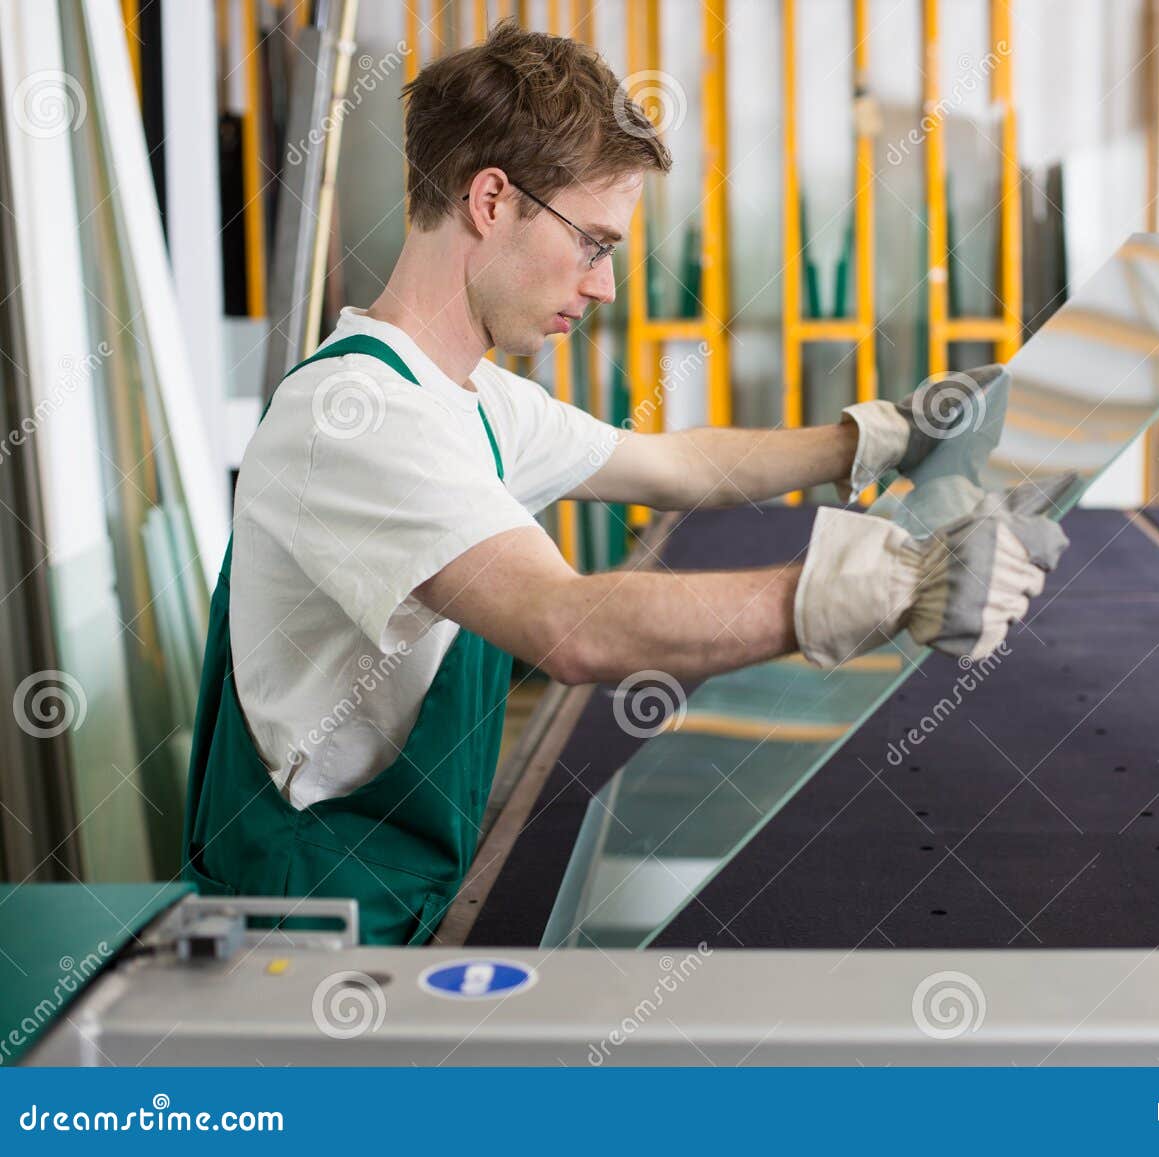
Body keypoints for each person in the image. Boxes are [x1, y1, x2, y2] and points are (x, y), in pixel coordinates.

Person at [181, 23, 1070, 945]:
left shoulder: (472, 399)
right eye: (593, 243)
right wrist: (891, 584)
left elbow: (676, 465)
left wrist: (878, 438)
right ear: (492, 199)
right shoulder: (356, 418)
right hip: (306, 924)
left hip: (393, 891)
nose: (604, 286)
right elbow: (568, 626)